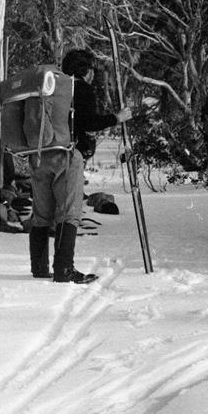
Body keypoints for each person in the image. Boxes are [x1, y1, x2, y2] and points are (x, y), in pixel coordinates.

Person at [28, 49, 132, 284]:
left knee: (42, 214)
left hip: (38, 155)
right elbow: (88, 122)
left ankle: (39, 267)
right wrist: (117, 118)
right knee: (69, 212)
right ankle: (64, 269)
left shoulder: (50, 88)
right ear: (86, 70)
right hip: (66, 155)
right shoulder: (80, 88)